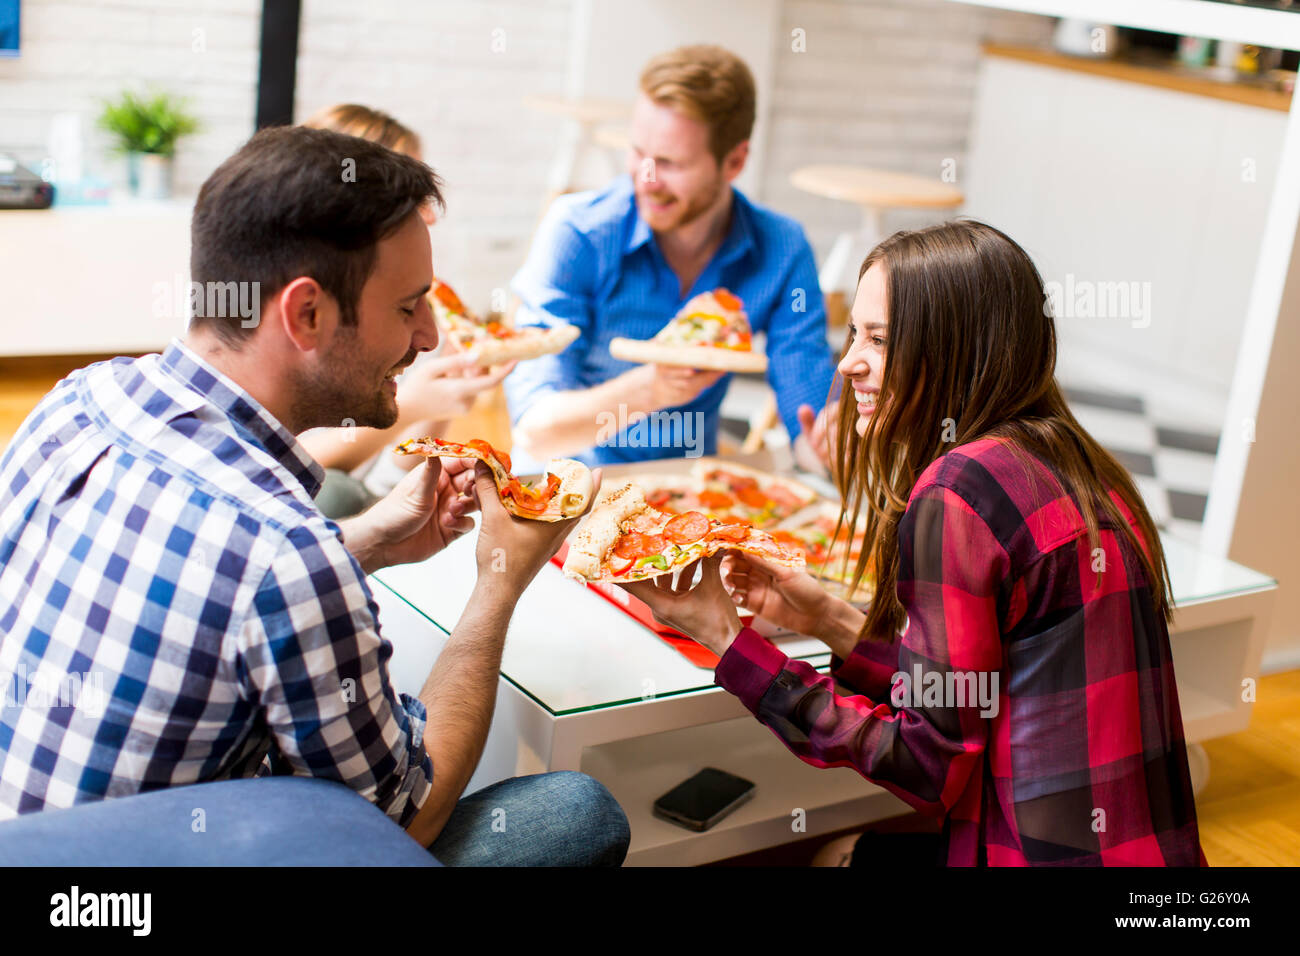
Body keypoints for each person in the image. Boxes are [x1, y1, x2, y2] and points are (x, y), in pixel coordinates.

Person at [0, 125, 629, 866]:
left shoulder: (81, 399)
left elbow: (215, 584)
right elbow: (405, 820)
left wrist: (367, 540)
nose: (430, 336)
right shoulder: (286, 556)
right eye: (409, 306)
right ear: (306, 314)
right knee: (578, 812)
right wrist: (498, 581)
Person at [621, 220, 1206, 867]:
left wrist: (731, 643)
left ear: (957, 347)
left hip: (1023, 853)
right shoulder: (1087, 464)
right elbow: (969, 695)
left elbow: (927, 764)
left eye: (879, 338)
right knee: (849, 849)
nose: (848, 363)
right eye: (852, 334)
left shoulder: (958, 492)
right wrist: (826, 618)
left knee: (826, 854)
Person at [506, 45, 838, 474]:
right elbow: (535, 430)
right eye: (638, 152)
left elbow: (806, 425)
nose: (646, 179)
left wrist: (829, 446)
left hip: (687, 489)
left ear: (734, 161)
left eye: (669, 163)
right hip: (569, 481)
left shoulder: (782, 248)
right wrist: (654, 388)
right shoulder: (579, 233)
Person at [294, 104, 515, 519]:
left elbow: (381, 481)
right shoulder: (305, 301)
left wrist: (445, 398)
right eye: (407, 193)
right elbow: (291, 464)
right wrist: (412, 405)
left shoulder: (399, 292)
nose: (429, 214)